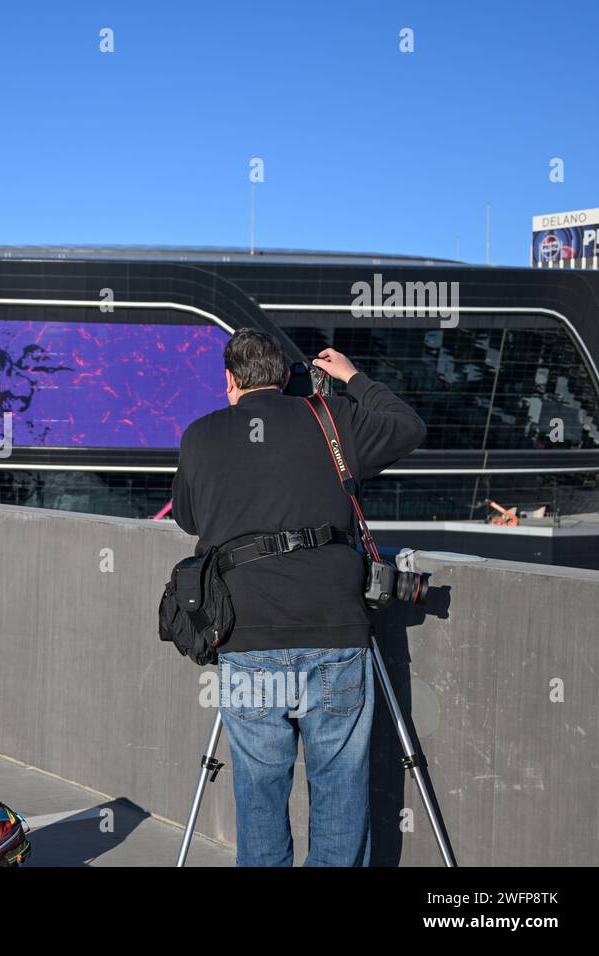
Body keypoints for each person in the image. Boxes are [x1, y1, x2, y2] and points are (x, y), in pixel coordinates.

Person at [170, 330, 426, 866]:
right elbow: (408, 428)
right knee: (340, 790)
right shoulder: (330, 417)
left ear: (230, 380)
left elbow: (191, 520)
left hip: (244, 635)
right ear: (287, 377)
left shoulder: (199, 436)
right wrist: (353, 379)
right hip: (334, 631)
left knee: (260, 792)